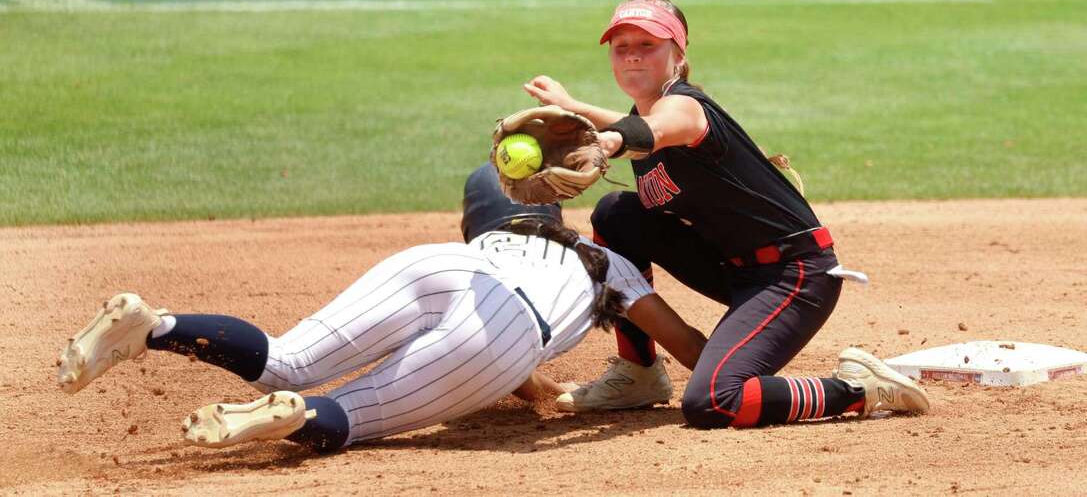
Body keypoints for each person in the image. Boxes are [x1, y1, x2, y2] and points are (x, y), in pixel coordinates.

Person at [55, 164, 707, 452]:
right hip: (507, 331)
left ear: (476, 217)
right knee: (350, 416)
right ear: (552, 213)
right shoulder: (606, 267)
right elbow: (688, 349)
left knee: (287, 358)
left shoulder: (483, 241)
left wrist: (535, 386)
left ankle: (157, 326)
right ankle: (299, 418)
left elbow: (513, 374)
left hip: (434, 269)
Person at [521, 0, 930, 428]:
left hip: (793, 275)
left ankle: (856, 387)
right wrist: (574, 108)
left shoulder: (686, 108)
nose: (632, 55)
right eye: (621, 47)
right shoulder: (646, 110)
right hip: (733, 269)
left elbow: (650, 131)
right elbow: (635, 122)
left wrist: (607, 143)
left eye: (648, 44)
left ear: (677, 55)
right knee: (615, 214)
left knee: (715, 400)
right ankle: (638, 372)